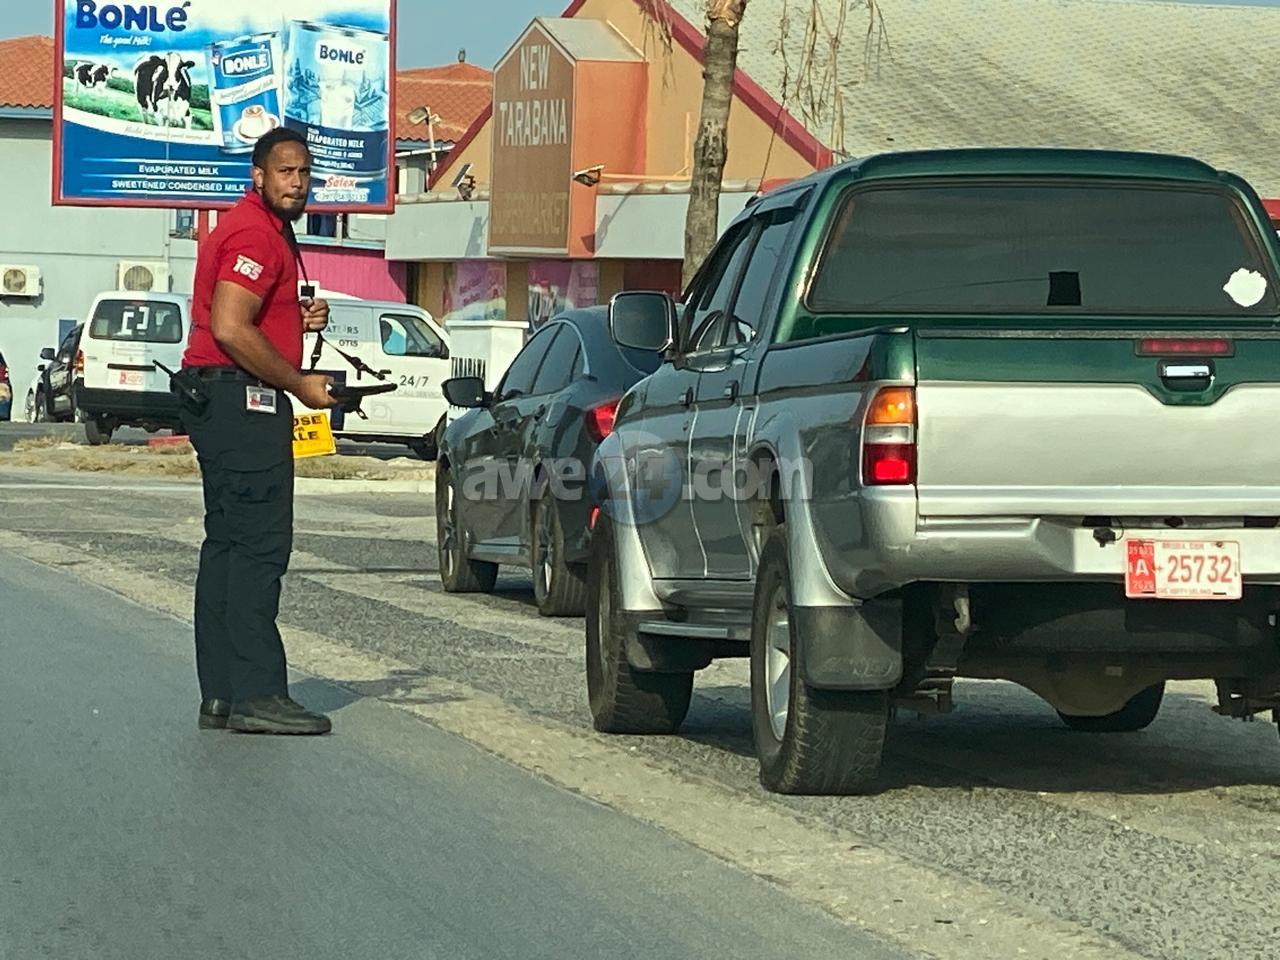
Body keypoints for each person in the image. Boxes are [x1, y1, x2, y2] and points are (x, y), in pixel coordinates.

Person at [179, 127, 336, 735]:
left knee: (226, 544)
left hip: (218, 398)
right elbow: (229, 326)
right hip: (238, 400)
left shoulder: (262, 230)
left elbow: (250, 313)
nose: (296, 183)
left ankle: (220, 692)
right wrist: (299, 383)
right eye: (285, 172)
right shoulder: (253, 232)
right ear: (259, 176)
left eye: (304, 173)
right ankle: (257, 693)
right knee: (259, 547)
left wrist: (296, 317)